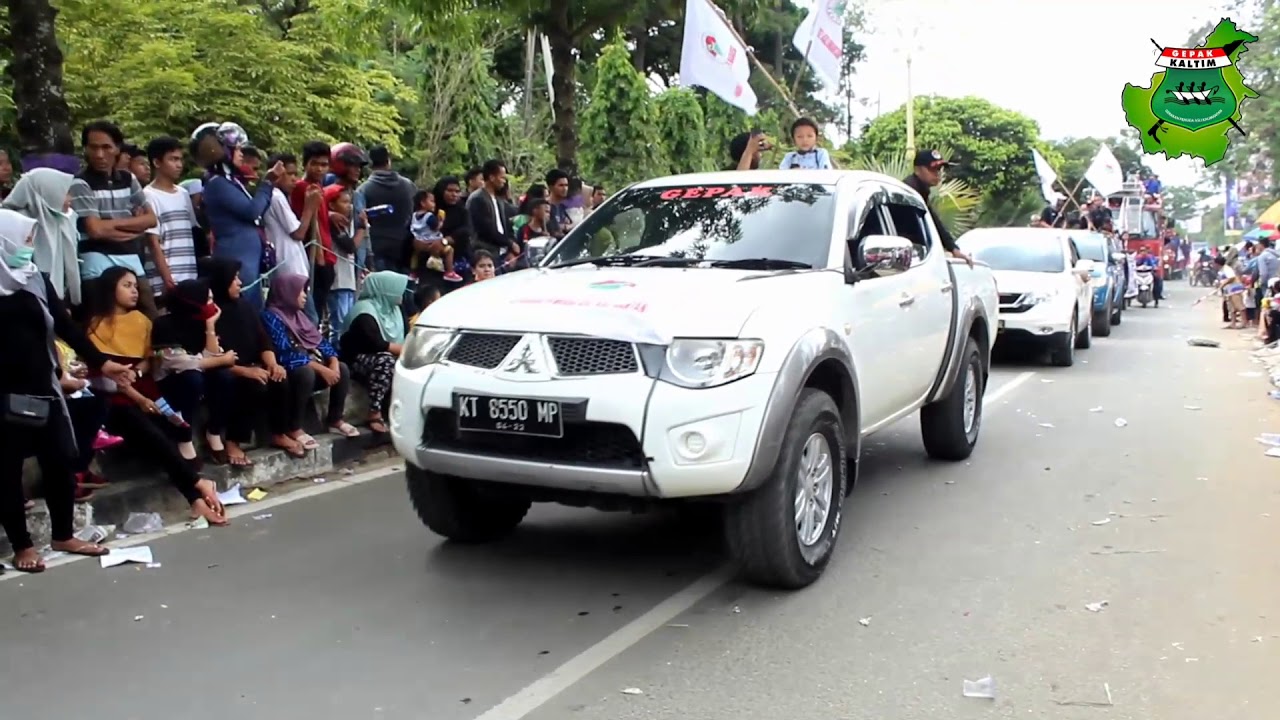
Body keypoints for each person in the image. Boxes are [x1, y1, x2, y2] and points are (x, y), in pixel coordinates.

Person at [0, 209, 136, 572]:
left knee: (60, 460)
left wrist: (101, 362)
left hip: (45, 386)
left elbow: (66, 327)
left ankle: (63, 534)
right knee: (8, 471)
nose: (29, 246)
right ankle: (22, 546)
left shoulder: (35, 279)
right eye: (24, 240)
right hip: (4, 392)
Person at [81, 266, 227, 525]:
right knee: (146, 428)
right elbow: (100, 374)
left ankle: (195, 495)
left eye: (135, 286)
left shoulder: (142, 321)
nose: (134, 291)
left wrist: (138, 371)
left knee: (171, 424)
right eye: (127, 285)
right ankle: (196, 490)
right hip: (114, 396)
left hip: (145, 387)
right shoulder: (95, 326)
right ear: (110, 289)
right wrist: (138, 397)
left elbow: (151, 358)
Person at [203, 257, 305, 459]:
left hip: (254, 365)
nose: (239, 283)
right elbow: (211, 356)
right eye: (234, 278)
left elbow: (263, 340)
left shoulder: (245, 307)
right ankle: (233, 440)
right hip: (226, 369)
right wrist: (245, 371)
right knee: (253, 386)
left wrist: (272, 364)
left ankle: (279, 433)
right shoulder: (211, 313)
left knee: (280, 379)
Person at [70, 120, 159, 317]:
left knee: (148, 315)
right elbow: (94, 230)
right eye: (93, 148)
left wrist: (110, 226)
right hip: (95, 260)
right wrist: (134, 227)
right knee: (102, 318)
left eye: (106, 147)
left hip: (129, 257)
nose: (99, 154)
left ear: (117, 148)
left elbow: (151, 219)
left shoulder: (128, 179)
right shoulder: (80, 182)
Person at [150, 278, 243, 466]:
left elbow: (212, 356)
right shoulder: (163, 325)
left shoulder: (202, 323)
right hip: (171, 380)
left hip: (198, 372)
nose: (212, 304)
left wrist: (210, 327)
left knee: (224, 377)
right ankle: (184, 437)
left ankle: (214, 431)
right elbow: (178, 362)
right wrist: (220, 360)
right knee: (192, 379)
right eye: (207, 300)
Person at [260, 273, 360, 439]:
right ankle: (294, 427)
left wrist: (333, 362)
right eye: (301, 291)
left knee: (342, 368)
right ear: (287, 292)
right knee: (305, 372)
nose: (305, 296)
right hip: (287, 369)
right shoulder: (270, 316)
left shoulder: (300, 316)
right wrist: (322, 369)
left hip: (311, 364)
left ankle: (335, 419)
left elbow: (322, 343)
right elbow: (285, 354)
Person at [194, 122, 281, 308]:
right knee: (244, 309)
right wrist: (267, 183)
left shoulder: (228, 181)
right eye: (237, 149)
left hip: (246, 259)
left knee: (254, 310)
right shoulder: (218, 183)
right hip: (237, 258)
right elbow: (252, 211)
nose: (241, 153)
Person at [339, 271, 408, 434]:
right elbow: (375, 343)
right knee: (386, 361)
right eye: (397, 289)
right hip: (359, 358)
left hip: (388, 353)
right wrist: (406, 351)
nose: (401, 294)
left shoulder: (394, 310)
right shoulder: (364, 310)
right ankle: (374, 412)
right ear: (386, 290)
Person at [2, 167, 81, 305]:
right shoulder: (15, 224)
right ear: (47, 192)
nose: (70, 198)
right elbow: (15, 264)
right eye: (65, 192)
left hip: (58, 298)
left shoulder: (61, 219)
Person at [142, 136, 199, 304]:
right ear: (157, 162)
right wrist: (167, 278)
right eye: (173, 159)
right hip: (165, 281)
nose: (179, 164)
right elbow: (153, 241)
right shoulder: (148, 195)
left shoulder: (183, 194)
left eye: (180, 159)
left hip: (189, 276)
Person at [902, 149, 972, 265]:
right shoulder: (909, 193)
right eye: (932, 169)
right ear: (918, 170)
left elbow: (934, 222)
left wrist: (953, 249)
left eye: (939, 169)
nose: (937, 173)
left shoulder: (921, 193)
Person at [358, 145, 416, 272]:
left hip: (376, 247)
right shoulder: (408, 185)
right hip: (404, 246)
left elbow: (360, 219)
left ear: (370, 164)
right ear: (388, 161)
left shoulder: (364, 189)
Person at [323, 185, 364, 340]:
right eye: (344, 202)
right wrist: (362, 228)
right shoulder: (333, 223)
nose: (349, 206)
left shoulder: (342, 222)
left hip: (347, 280)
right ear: (332, 205)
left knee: (346, 322)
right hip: (338, 279)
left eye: (349, 202)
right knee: (339, 324)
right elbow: (350, 246)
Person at [410, 189, 462, 282]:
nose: (434, 204)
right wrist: (441, 221)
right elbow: (436, 227)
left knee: (415, 254)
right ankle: (449, 272)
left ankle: (413, 273)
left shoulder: (414, 215)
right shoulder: (429, 216)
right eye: (432, 201)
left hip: (419, 241)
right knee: (449, 250)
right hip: (432, 241)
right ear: (423, 203)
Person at [432, 176, 473, 281]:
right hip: (432, 259)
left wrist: (445, 241)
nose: (454, 194)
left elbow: (467, 230)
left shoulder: (462, 211)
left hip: (458, 259)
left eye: (457, 191)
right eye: (450, 191)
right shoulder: (431, 209)